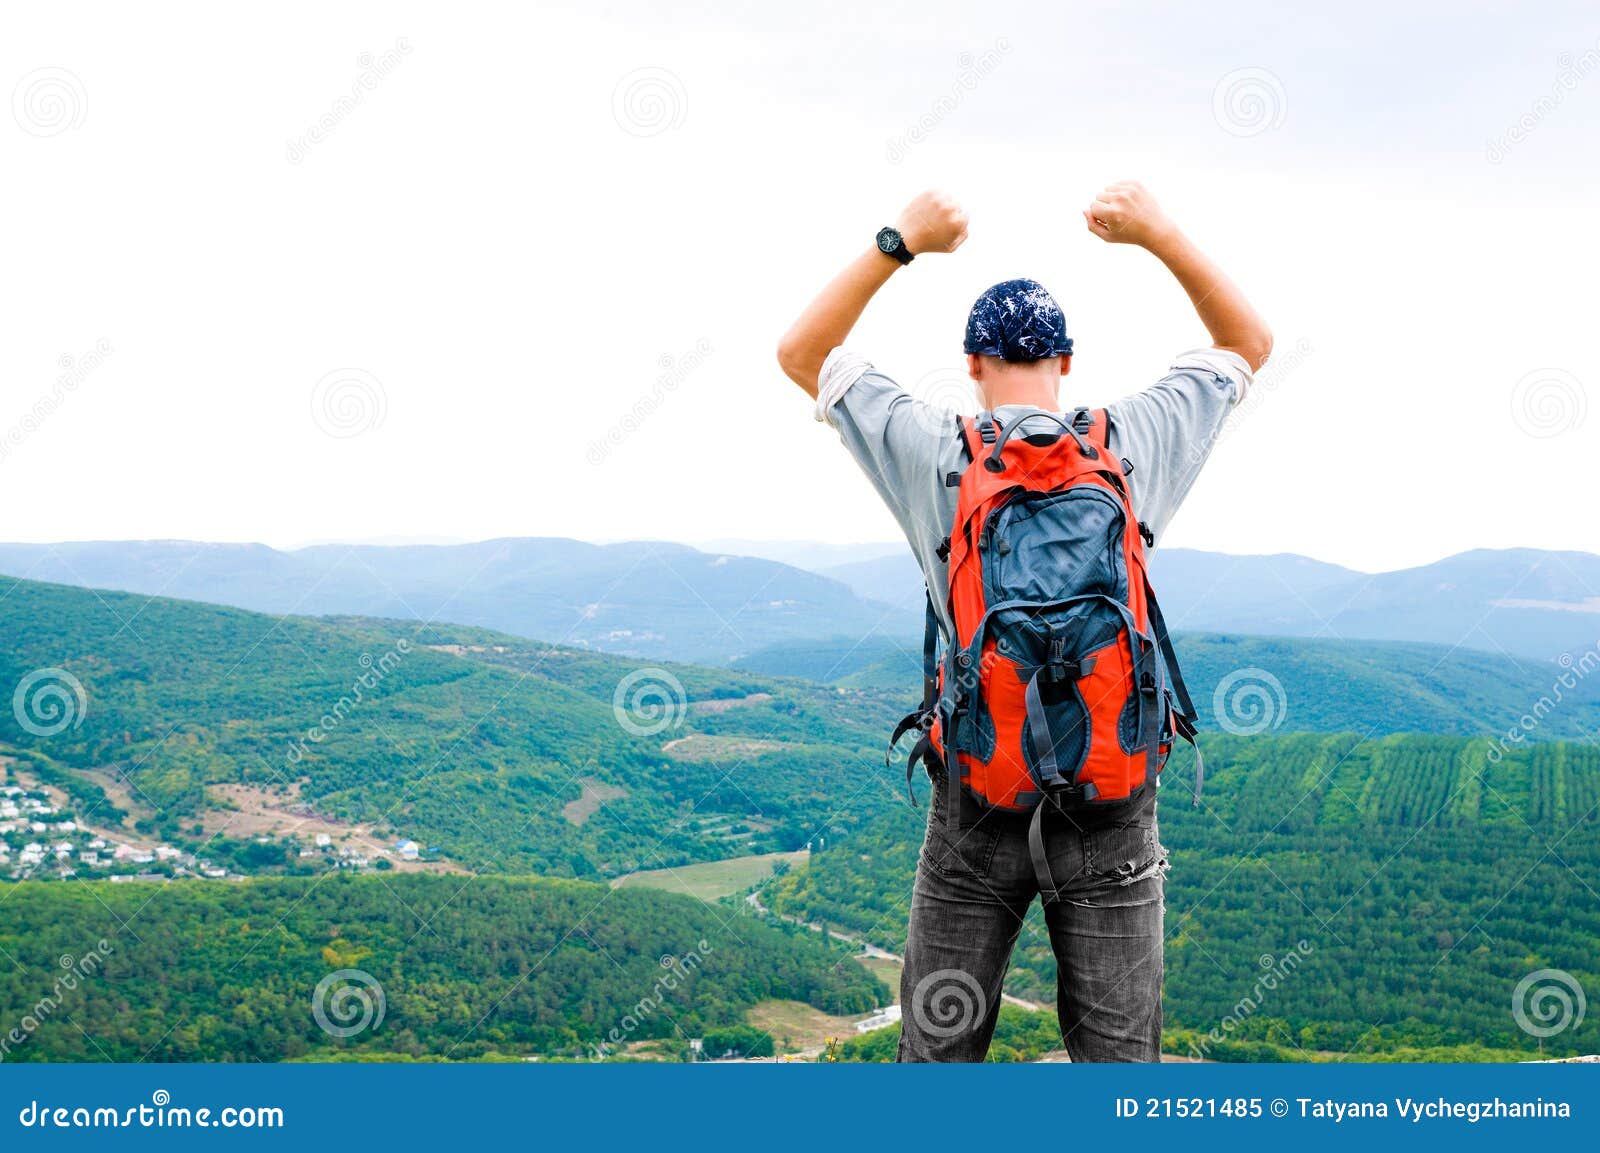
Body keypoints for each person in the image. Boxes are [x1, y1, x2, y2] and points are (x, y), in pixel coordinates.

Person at [775, 183, 1272, 1062]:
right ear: (1066, 361)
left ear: (972, 363)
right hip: (1111, 796)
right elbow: (1249, 343)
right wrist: (1154, 231)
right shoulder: (1131, 442)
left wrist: (903, 240)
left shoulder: (934, 449)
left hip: (978, 795)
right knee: (1120, 1072)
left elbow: (801, 351)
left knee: (938, 1063)